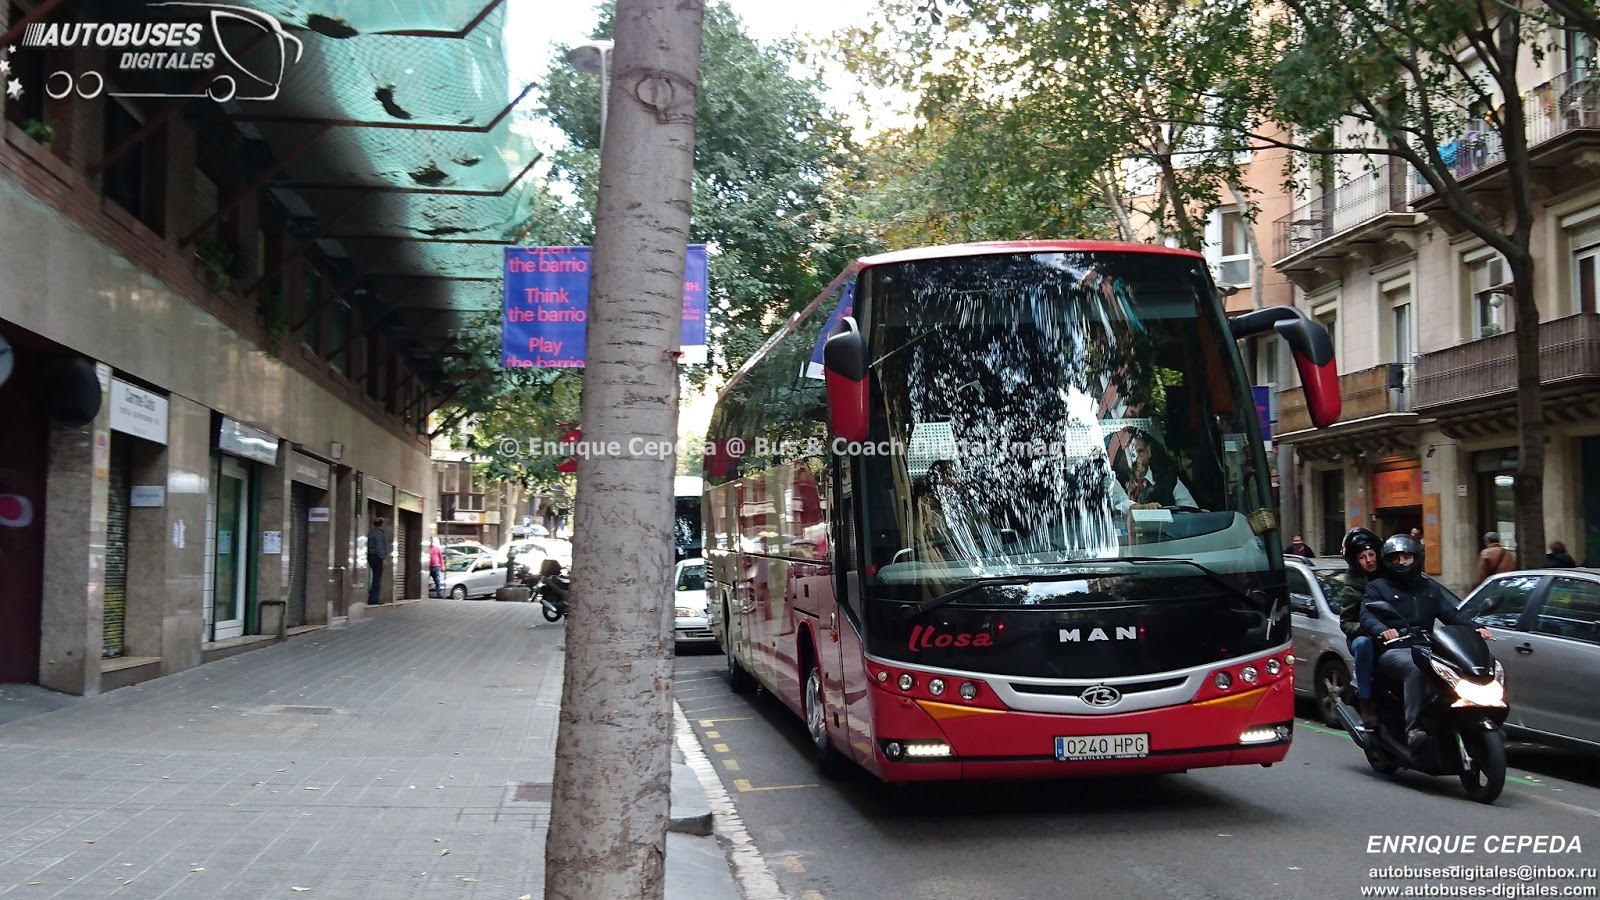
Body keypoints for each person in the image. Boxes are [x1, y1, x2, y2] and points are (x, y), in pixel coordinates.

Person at [1361, 534, 1493, 751]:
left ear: (1417, 558)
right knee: (1417, 670)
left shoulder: (1429, 587)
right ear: (1388, 561)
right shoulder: (1378, 587)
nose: (1401, 563)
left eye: (1406, 557)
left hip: (1427, 647)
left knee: (1459, 668)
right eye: (1395, 558)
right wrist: (1382, 630)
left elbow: (1451, 614)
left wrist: (1474, 627)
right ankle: (1413, 729)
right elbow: (1367, 616)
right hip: (1396, 649)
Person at [1336, 527, 1383, 727]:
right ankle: (1365, 701)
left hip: (1393, 634)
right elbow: (1346, 623)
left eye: (1371, 554)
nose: (1369, 560)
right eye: (1363, 557)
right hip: (1363, 636)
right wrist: (1367, 630)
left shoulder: (1390, 577)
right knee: (1364, 645)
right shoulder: (1351, 587)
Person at [1111, 427, 1198, 509]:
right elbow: (1118, 503)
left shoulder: (1169, 480)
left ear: (1149, 451)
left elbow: (1191, 510)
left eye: (1139, 451)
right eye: (1131, 454)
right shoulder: (1118, 481)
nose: (1136, 459)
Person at [366, 516, 388, 606]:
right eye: (384, 524)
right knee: (377, 578)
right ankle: (374, 598)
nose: (384, 526)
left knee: (375, 577)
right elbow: (379, 547)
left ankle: (372, 596)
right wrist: (383, 558)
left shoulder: (371, 532)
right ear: (381, 525)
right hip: (377, 557)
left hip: (371, 556)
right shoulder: (378, 534)